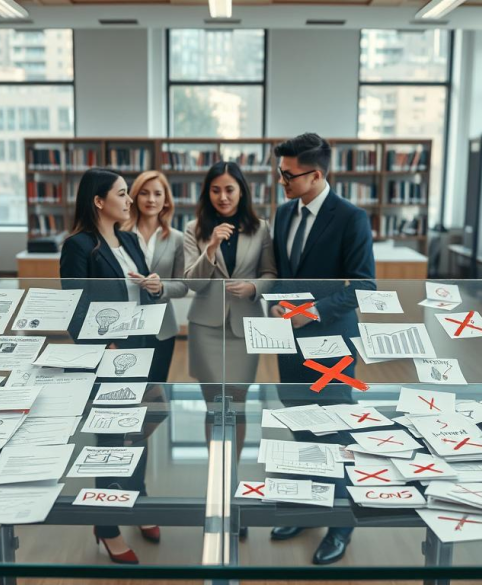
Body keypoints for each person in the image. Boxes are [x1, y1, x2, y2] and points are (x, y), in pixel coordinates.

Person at [268, 133, 376, 565]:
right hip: (289, 341)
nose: (281, 181)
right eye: (280, 173)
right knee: (299, 423)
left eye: (288, 175)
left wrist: (307, 313)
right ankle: (307, 504)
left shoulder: (352, 218)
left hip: (333, 343)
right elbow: (285, 272)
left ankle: (341, 523)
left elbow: (364, 286)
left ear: (316, 174)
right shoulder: (281, 213)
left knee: (336, 429)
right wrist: (277, 300)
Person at [59, 168, 163, 565]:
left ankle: (136, 494)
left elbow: (141, 294)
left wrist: (152, 288)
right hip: (109, 354)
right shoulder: (78, 246)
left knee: (147, 421)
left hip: (141, 346)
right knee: (110, 437)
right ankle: (107, 524)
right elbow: (75, 309)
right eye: (122, 194)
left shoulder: (130, 239)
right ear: (99, 201)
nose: (130, 200)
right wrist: (104, 342)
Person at [183, 161, 276, 483]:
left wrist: (254, 288)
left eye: (229, 189)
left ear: (242, 191)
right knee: (214, 406)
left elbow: (270, 274)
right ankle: (218, 476)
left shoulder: (261, 227)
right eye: (216, 190)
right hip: (205, 328)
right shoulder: (194, 229)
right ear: (207, 193)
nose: (223, 197)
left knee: (237, 404)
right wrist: (210, 249)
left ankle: (231, 477)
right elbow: (190, 283)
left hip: (245, 327)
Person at [123, 170, 188, 381]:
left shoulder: (177, 238)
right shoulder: (118, 235)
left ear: (166, 200)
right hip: (125, 324)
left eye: (158, 194)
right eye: (144, 193)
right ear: (134, 197)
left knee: (156, 391)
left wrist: (161, 288)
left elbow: (183, 285)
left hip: (162, 326)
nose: (151, 199)